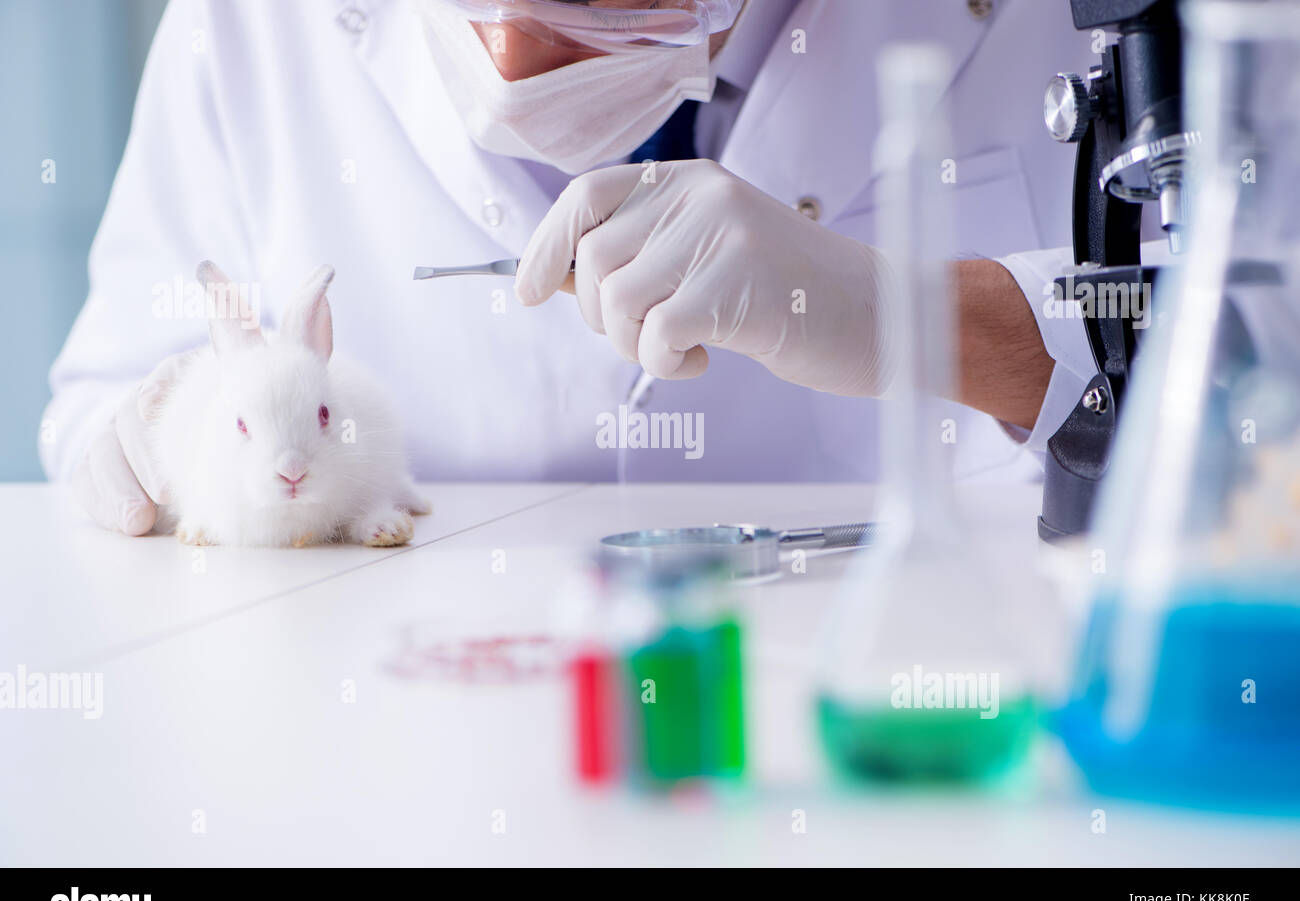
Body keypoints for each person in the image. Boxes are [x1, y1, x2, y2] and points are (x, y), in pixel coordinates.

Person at [44, 0, 1101, 536]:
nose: (507, 56)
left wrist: (905, 318)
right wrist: (162, 443)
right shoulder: (251, 29)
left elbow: (1254, 379)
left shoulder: (1063, 25)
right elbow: (109, 399)